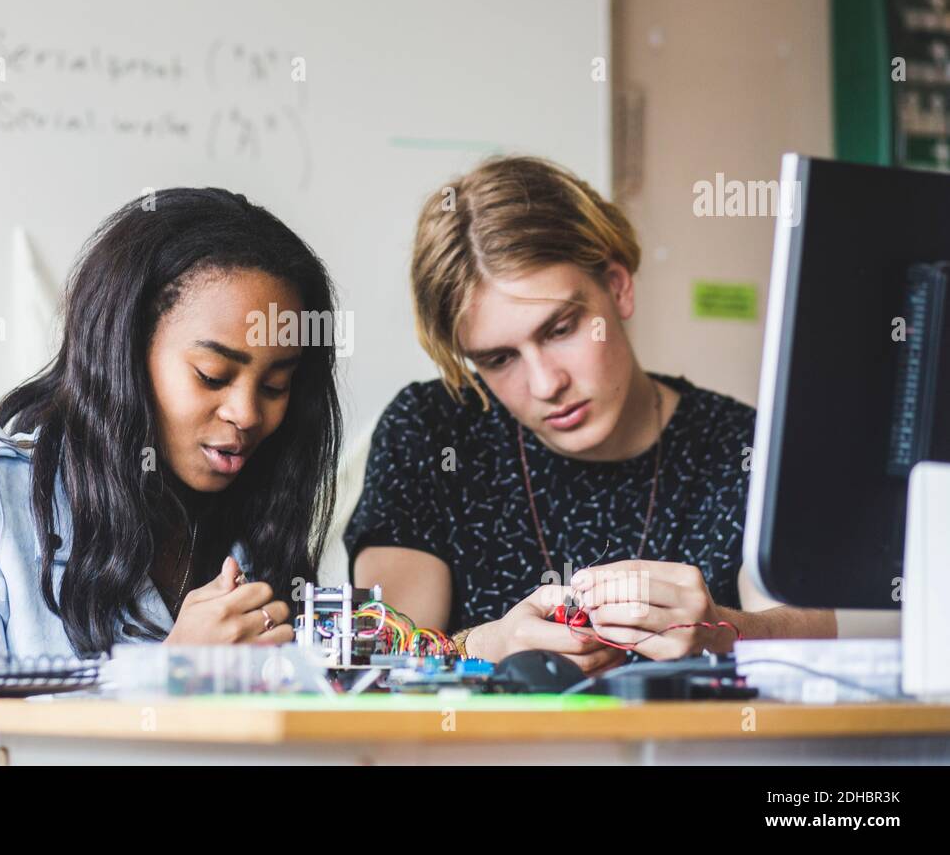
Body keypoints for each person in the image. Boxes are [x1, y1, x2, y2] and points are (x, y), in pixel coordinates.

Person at [0, 188, 342, 763]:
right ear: (125, 355)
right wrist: (164, 680)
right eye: (211, 375)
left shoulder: (258, 520)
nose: (249, 413)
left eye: (276, 385)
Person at [344, 156, 835, 675]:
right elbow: (374, 662)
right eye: (499, 359)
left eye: (560, 329)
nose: (546, 384)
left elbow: (818, 641)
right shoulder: (428, 431)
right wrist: (489, 646)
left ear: (619, 286)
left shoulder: (744, 446)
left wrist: (722, 632)